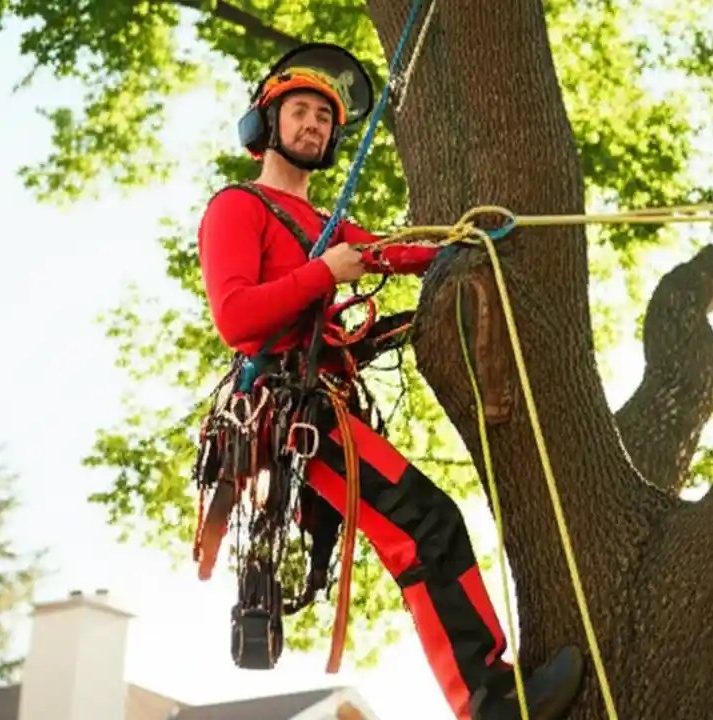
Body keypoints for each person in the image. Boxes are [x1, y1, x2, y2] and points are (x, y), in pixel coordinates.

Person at [189, 43, 586, 720]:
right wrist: (324, 273)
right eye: (301, 112)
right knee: (422, 523)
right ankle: (487, 698)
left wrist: (463, 245)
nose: (315, 126)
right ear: (265, 125)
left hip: (326, 407)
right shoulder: (237, 207)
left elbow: (391, 253)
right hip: (289, 413)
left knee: (422, 524)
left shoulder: (331, 227)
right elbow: (235, 319)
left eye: (325, 118)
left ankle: (487, 690)